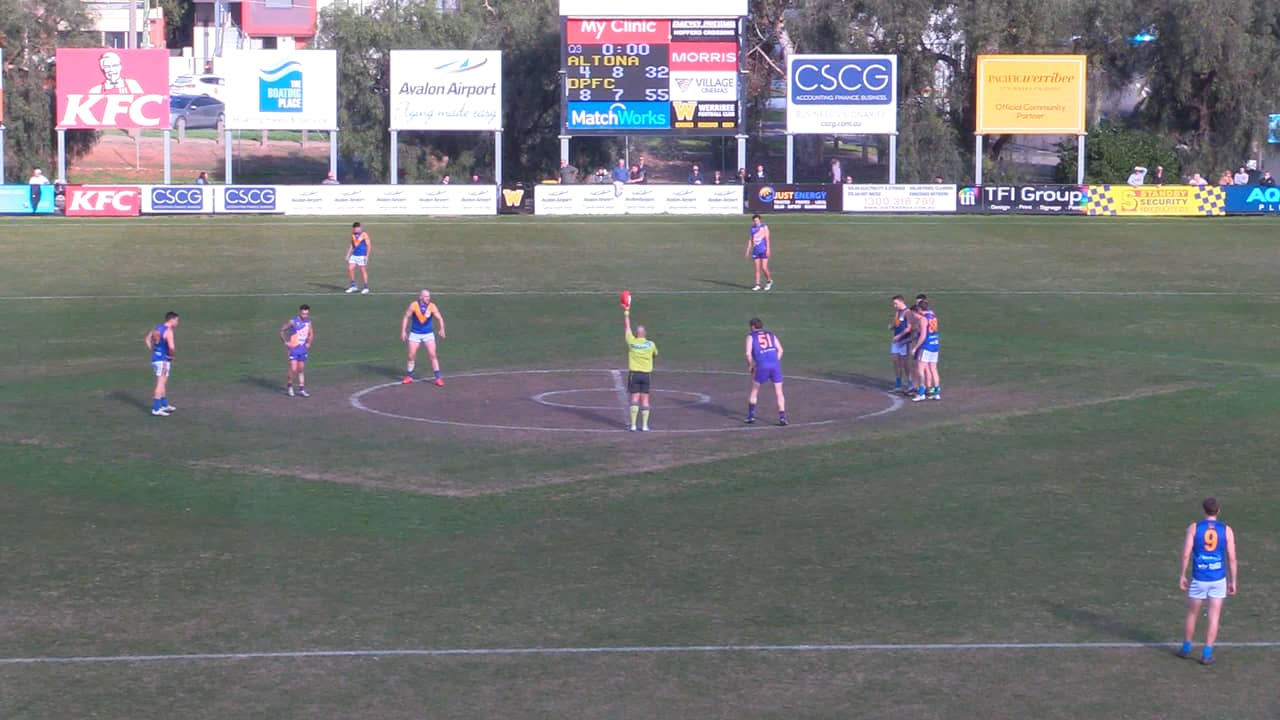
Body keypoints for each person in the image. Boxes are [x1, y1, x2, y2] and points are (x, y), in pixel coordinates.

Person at [1177, 497, 1237, 665]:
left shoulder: (1194, 528)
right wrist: (1233, 581)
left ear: (1204, 511)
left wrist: (1182, 575)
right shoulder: (1227, 530)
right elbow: (1231, 558)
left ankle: (1186, 648)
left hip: (1199, 578)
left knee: (1192, 613)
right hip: (1218, 579)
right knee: (1214, 616)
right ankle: (1207, 653)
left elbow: (1186, 554)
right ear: (1218, 511)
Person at [621, 298, 658, 431]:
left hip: (634, 374)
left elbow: (627, 327)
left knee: (634, 399)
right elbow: (655, 355)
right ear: (645, 334)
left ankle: (633, 425)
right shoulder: (651, 344)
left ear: (637, 334)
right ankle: (645, 426)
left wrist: (626, 311)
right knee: (645, 400)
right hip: (646, 375)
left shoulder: (631, 341)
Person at [744, 318, 786, 426]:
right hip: (775, 365)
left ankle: (751, 416)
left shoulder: (751, 336)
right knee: (779, 392)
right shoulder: (771, 334)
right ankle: (782, 418)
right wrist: (775, 361)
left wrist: (751, 366)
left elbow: (748, 354)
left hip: (762, 365)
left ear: (753, 326)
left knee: (755, 389)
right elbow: (781, 350)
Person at [400, 289, 446, 386]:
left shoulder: (432, 306)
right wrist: (403, 331)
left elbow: (440, 318)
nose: (428, 298)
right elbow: (406, 317)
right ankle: (409, 376)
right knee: (411, 355)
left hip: (428, 334)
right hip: (415, 334)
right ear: (420, 297)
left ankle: (438, 378)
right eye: (426, 296)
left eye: (429, 296)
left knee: (433, 355)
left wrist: (442, 328)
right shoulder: (414, 305)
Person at [144, 312, 180, 417]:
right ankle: (156, 409)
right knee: (160, 383)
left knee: (163, 382)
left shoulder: (157, 328)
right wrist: (172, 356)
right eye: (177, 320)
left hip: (156, 359)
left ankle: (164, 405)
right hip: (163, 361)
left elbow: (147, 340)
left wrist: (153, 351)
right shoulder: (168, 331)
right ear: (171, 320)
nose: (177, 322)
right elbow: (172, 347)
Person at [279, 304, 314, 397]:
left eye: (306, 314)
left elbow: (311, 334)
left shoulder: (308, 322)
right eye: (303, 313)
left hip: (303, 349)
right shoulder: (293, 321)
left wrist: (309, 343)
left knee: (301, 369)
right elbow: (282, 331)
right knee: (293, 369)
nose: (305, 315)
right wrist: (285, 342)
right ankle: (290, 386)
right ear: (300, 312)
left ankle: (302, 389)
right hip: (294, 349)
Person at [911, 299, 941, 401]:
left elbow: (923, 336)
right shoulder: (933, 315)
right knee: (934, 369)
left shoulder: (923, 319)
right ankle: (936, 393)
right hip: (935, 345)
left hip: (926, 346)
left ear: (919, 309)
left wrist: (915, 348)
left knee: (920, 369)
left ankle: (921, 393)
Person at [889, 295, 912, 393]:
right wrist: (892, 326)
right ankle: (899, 384)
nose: (895, 305)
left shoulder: (908, 312)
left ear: (901, 302)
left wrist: (899, 336)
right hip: (896, 341)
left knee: (905, 363)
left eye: (896, 303)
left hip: (904, 341)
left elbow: (909, 328)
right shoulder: (898, 312)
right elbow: (896, 323)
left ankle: (911, 384)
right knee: (895, 361)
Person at [744, 214, 773, 292]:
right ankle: (757, 284)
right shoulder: (752, 228)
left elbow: (767, 239)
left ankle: (769, 281)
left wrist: (768, 249)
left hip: (763, 249)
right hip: (756, 250)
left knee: (764, 267)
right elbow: (751, 239)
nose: (756, 222)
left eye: (757, 220)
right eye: (754, 220)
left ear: (760, 220)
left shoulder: (764, 227)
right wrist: (748, 250)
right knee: (757, 269)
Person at [344, 222, 371, 294]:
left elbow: (369, 246)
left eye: (356, 228)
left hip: (362, 255)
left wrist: (367, 256)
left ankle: (366, 287)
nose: (355, 230)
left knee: (362, 270)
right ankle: (353, 286)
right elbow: (352, 245)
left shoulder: (364, 234)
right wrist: (348, 254)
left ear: (359, 228)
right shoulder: (353, 234)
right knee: (350, 269)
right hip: (354, 255)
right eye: (354, 229)